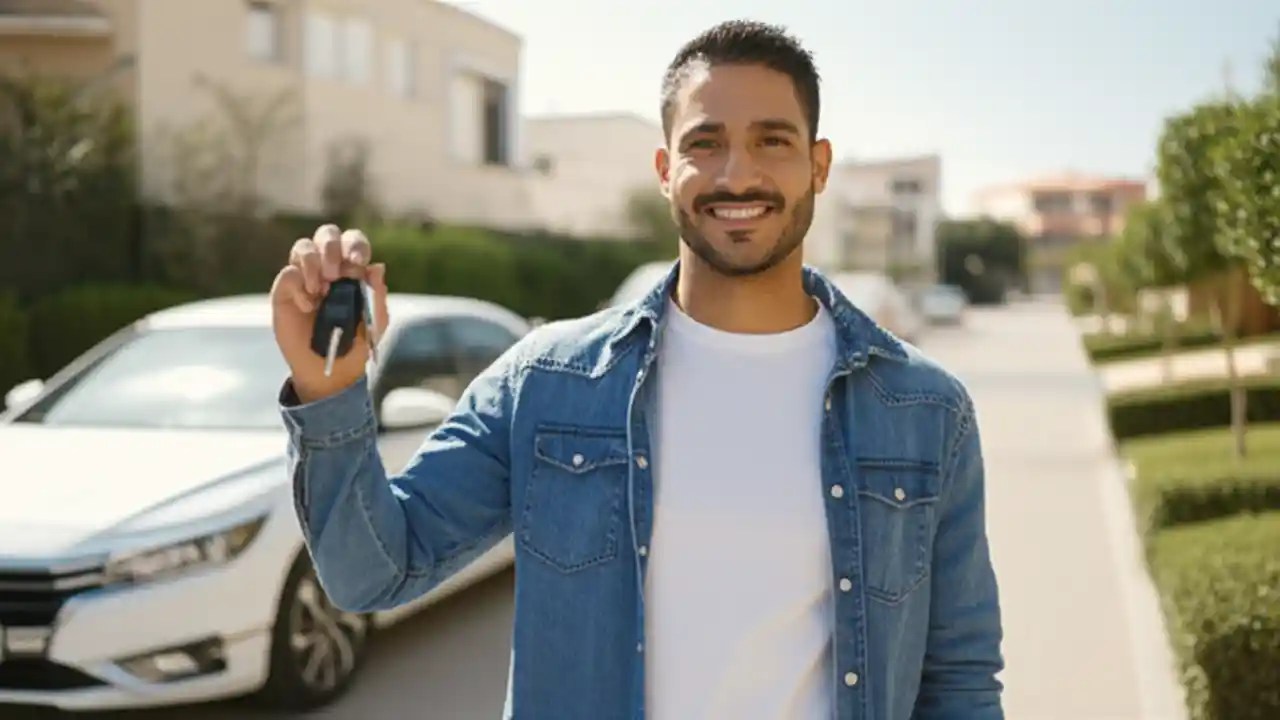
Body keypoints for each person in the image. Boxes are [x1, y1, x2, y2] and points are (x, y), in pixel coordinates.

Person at [270, 19, 1004, 720]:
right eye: (705, 143)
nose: (737, 174)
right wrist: (329, 392)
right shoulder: (547, 383)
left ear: (817, 165)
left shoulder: (924, 411)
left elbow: (960, 675)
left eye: (772, 141)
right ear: (664, 169)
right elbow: (372, 574)